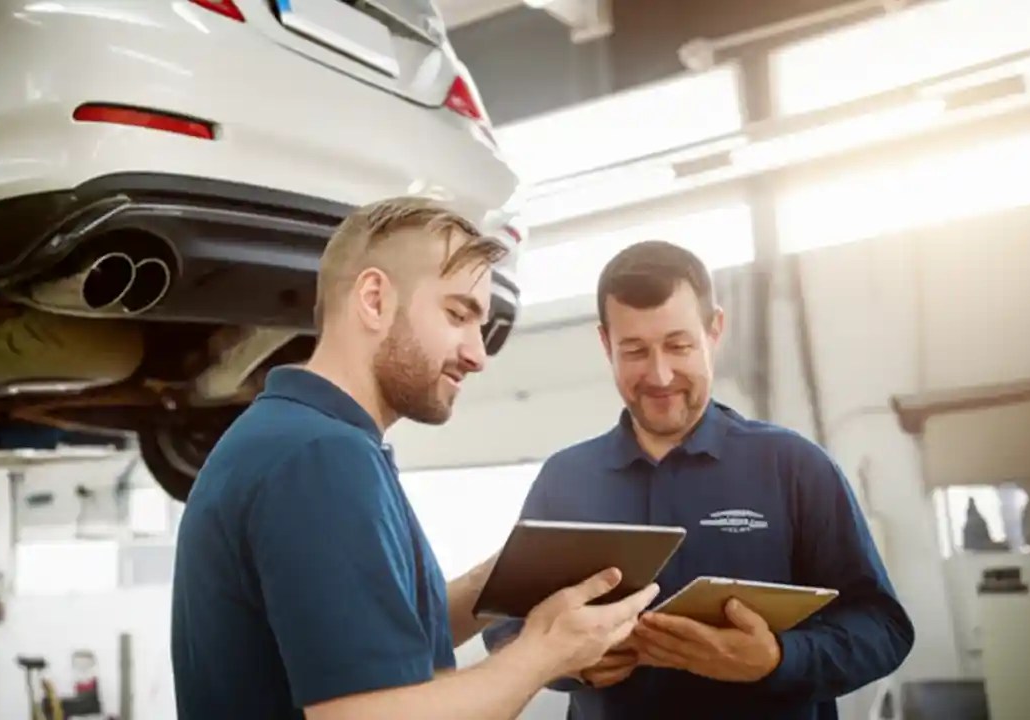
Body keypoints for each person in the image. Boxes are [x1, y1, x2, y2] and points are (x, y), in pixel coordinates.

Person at [170, 197, 662, 719]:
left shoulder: (297, 439)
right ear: (375, 299)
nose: (478, 354)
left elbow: (359, 645)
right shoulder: (320, 459)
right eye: (458, 314)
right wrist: (544, 652)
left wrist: (492, 584)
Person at [482, 240, 915, 719]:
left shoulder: (793, 465)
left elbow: (882, 627)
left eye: (678, 345)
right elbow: (508, 629)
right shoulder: (565, 479)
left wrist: (777, 658)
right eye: (635, 350)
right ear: (606, 344)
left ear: (714, 331)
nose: (660, 374)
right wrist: (569, 663)